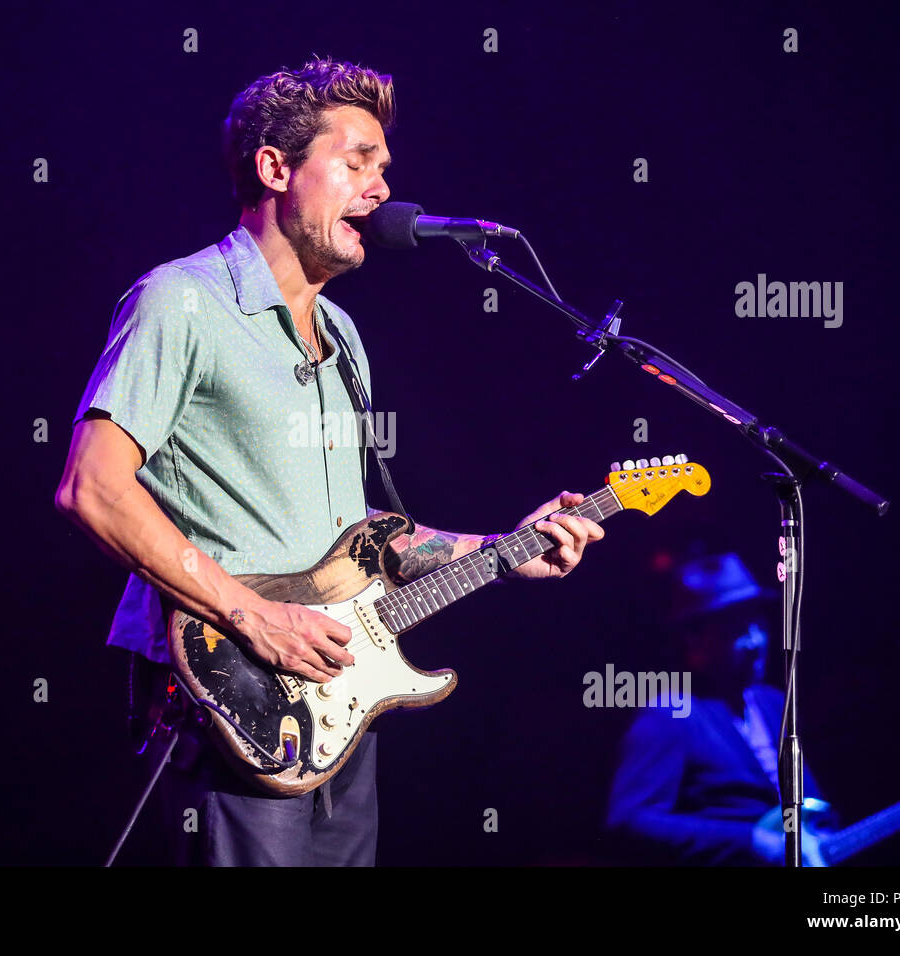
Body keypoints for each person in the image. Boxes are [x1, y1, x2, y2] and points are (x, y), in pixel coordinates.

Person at [55, 55, 604, 866]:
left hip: (337, 706)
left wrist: (501, 550)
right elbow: (91, 487)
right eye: (357, 163)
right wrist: (252, 615)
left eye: (384, 169)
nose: (382, 189)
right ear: (276, 168)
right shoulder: (183, 300)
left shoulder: (343, 337)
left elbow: (361, 541)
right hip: (232, 692)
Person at [605, 551, 835, 865]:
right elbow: (630, 820)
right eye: (737, 629)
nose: (755, 641)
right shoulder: (671, 714)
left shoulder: (772, 702)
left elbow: (812, 803)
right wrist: (753, 841)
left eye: (758, 623)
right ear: (696, 640)